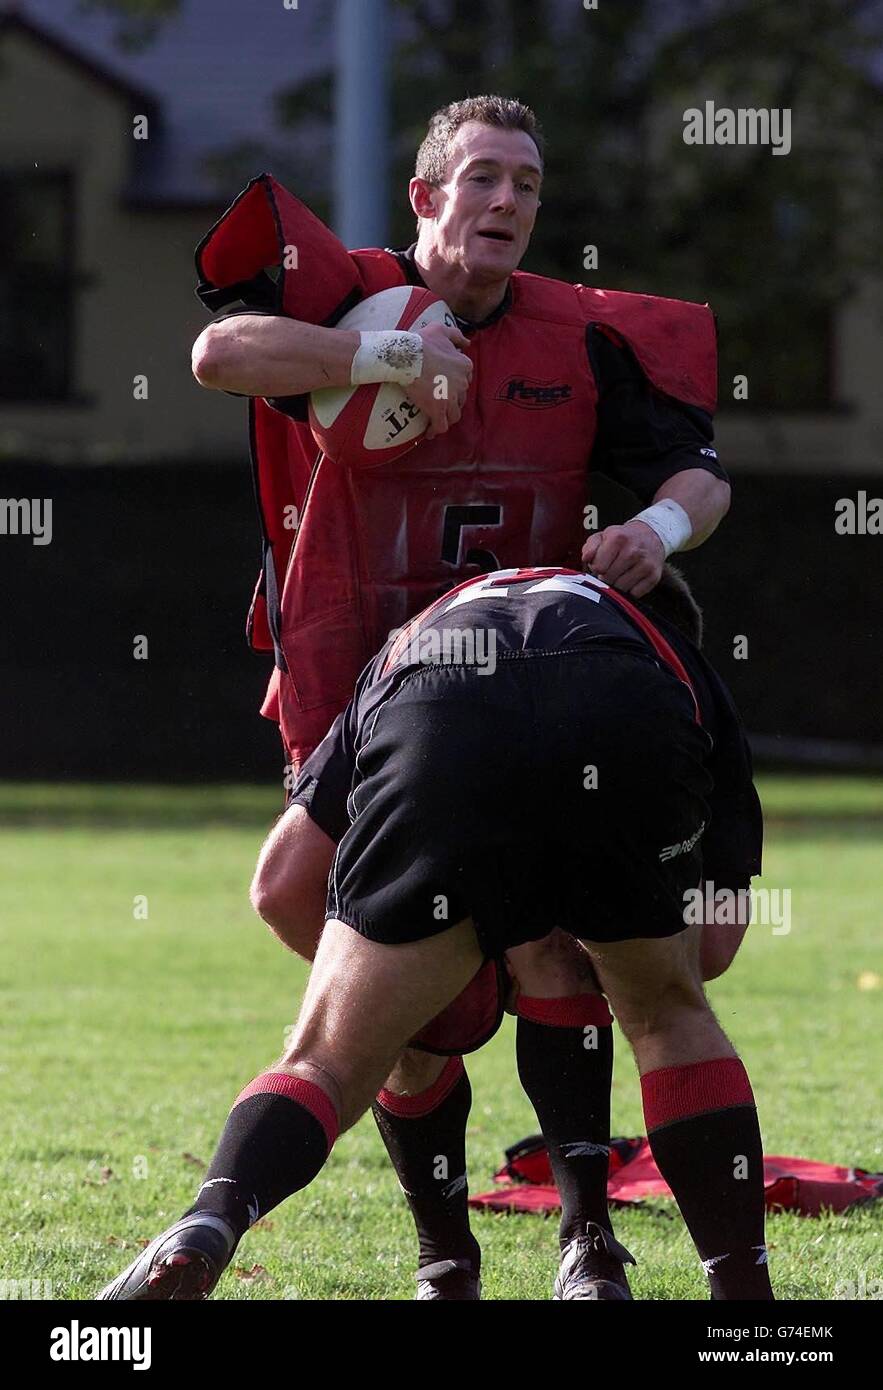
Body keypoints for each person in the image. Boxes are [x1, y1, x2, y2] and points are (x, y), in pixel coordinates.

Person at [191, 94, 732, 1297]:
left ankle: (586, 1232)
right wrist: (376, 355)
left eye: (526, 186)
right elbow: (219, 353)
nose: (505, 202)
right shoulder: (358, 299)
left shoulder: (582, 336)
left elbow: (699, 474)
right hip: (362, 691)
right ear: (427, 197)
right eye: (481, 178)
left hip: (528, 691)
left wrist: (650, 527)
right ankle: (445, 1237)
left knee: (553, 943)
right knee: (310, 914)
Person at [99, 563, 770, 1303]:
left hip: (435, 705)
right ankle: (738, 1305)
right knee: (669, 1017)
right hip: (617, 706)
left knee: (327, 1059)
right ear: (672, 630)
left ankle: (209, 1219)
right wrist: (588, 947)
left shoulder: (419, 631)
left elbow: (279, 886)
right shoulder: (674, 661)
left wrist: (411, 996)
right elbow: (713, 943)